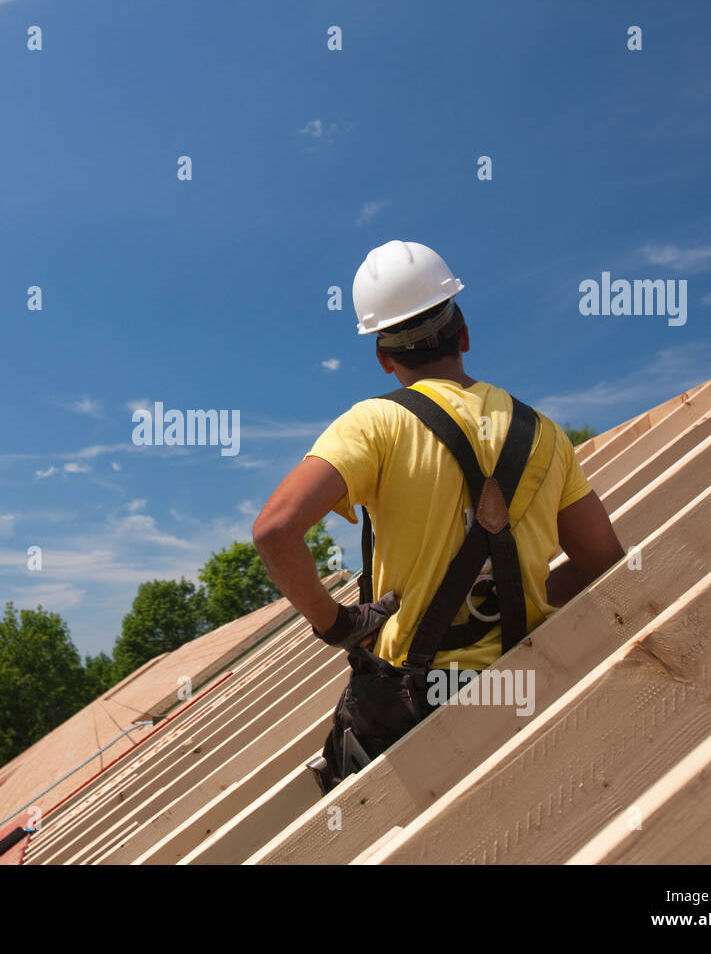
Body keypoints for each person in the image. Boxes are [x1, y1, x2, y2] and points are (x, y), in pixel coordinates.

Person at [252, 240, 625, 792]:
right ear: (465, 334)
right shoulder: (546, 435)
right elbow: (602, 560)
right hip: (534, 687)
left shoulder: (375, 423)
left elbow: (274, 530)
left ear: (383, 356)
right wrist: (518, 597)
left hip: (416, 711)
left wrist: (337, 625)